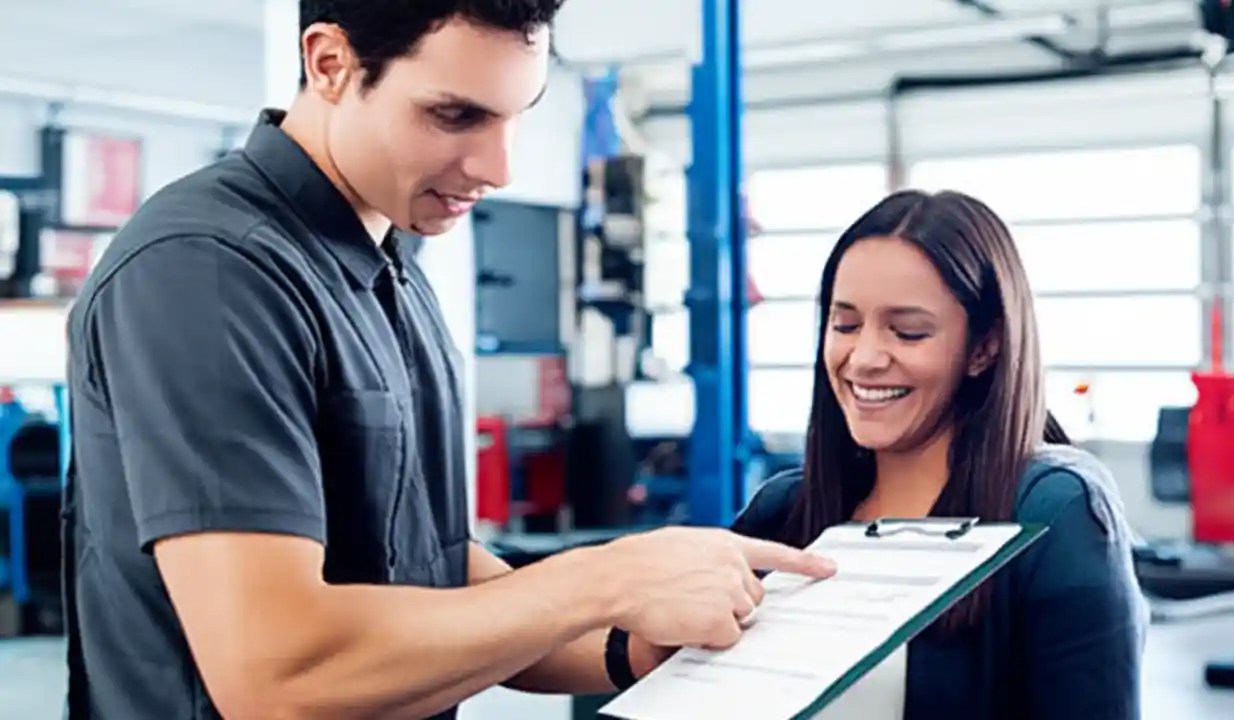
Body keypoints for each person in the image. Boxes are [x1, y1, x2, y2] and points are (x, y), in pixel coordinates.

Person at [60, 3, 835, 718]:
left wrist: (634, 642)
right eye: (456, 115)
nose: (498, 167)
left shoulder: (389, 264)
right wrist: (604, 579)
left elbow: (432, 567)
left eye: (515, 117)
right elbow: (278, 672)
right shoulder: (207, 269)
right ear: (330, 64)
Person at [732, 190, 1148, 720]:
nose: (864, 358)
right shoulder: (782, 511)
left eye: (908, 332)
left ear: (983, 347)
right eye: (845, 325)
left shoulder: (1054, 513)